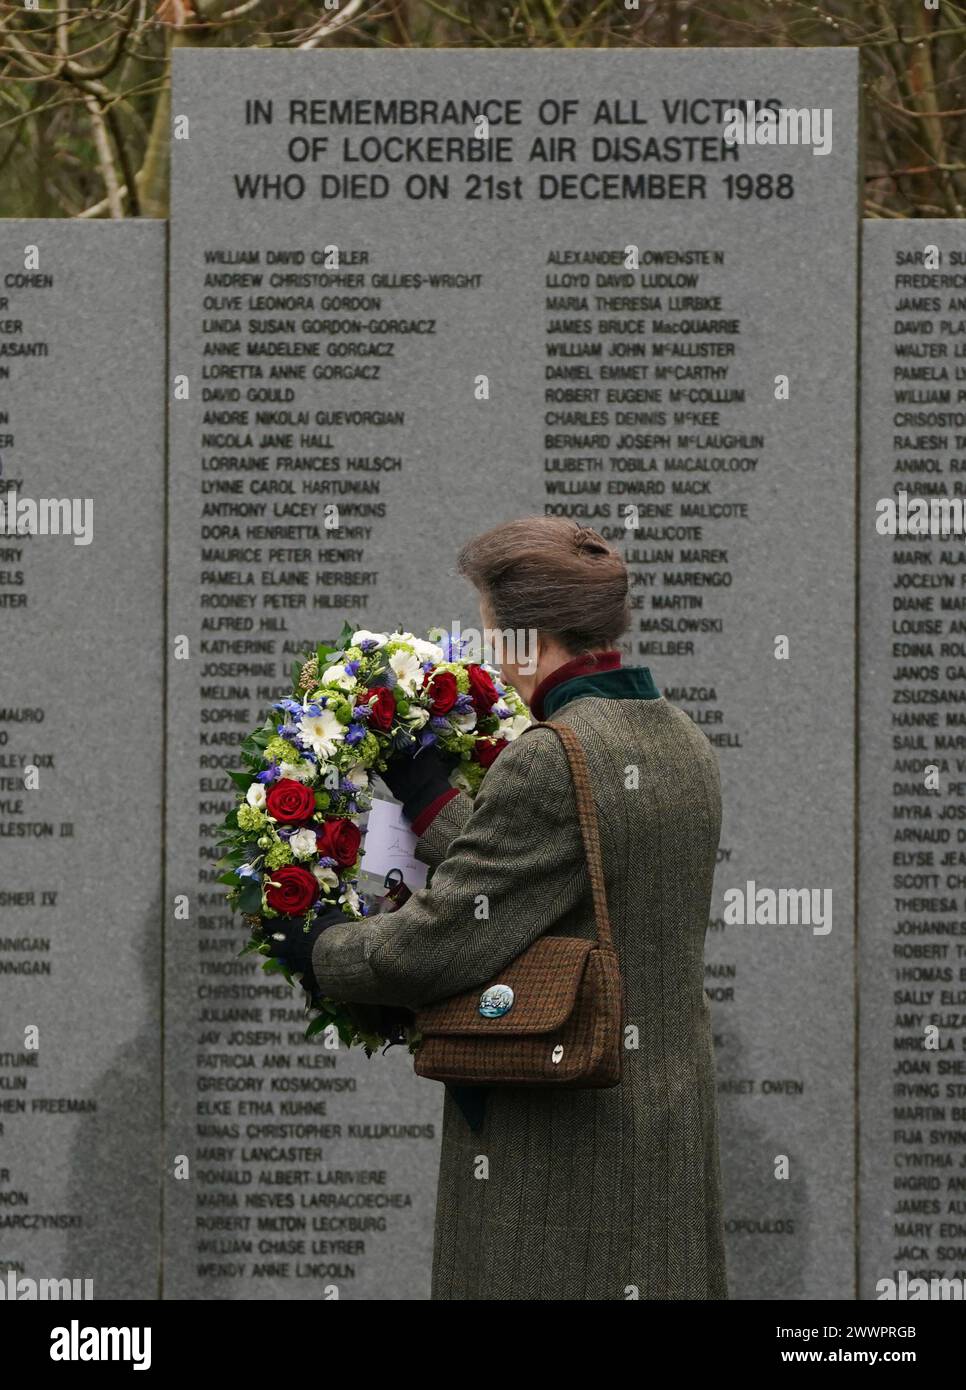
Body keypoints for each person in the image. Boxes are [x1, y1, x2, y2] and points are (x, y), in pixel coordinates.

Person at [269, 517, 728, 1301]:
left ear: (523, 636)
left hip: (560, 1155)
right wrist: (429, 797)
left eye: (489, 629)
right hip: (663, 1125)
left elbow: (443, 943)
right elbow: (556, 872)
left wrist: (319, 945)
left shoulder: (554, 756)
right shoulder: (682, 739)